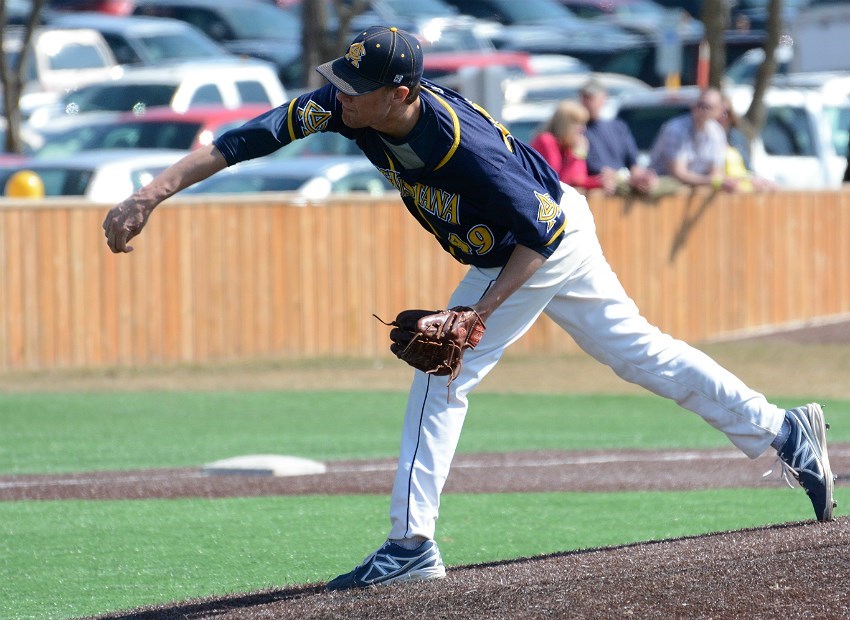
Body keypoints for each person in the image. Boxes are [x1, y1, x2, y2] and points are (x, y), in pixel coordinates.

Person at [102, 26, 835, 591]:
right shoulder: (348, 109)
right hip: (536, 232)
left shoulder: (461, 147)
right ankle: (783, 431)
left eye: (356, 86)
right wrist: (148, 196)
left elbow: (542, 236)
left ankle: (410, 544)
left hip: (539, 243)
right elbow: (245, 139)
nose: (339, 94)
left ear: (402, 92)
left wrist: (475, 315)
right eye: (341, 81)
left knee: (442, 377)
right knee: (640, 353)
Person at [579, 78, 667, 198]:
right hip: (600, 190)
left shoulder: (618, 127)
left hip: (624, 186)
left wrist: (642, 177)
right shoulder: (579, 131)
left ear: (603, 99)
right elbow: (585, 168)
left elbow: (633, 162)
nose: (587, 103)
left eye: (591, 98)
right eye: (584, 98)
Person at [649, 88, 739, 193]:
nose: (702, 110)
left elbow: (716, 172)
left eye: (708, 107)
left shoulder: (717, 132)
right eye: (700, 104)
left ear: (718, 111)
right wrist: (710, 181)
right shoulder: (675, 129)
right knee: (680, 189)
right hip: (665, 186)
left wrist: (720, 182)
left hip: (697, 187)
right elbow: (678, 173)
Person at [530, 99, 613, 192]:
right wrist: (577, 155)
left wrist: (600, 181)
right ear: (563, 124)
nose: (583, 129)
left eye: (583, 123)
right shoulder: (546, 140)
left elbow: (577, 179)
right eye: (577, 123)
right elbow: (558, 183)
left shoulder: (568, 146)